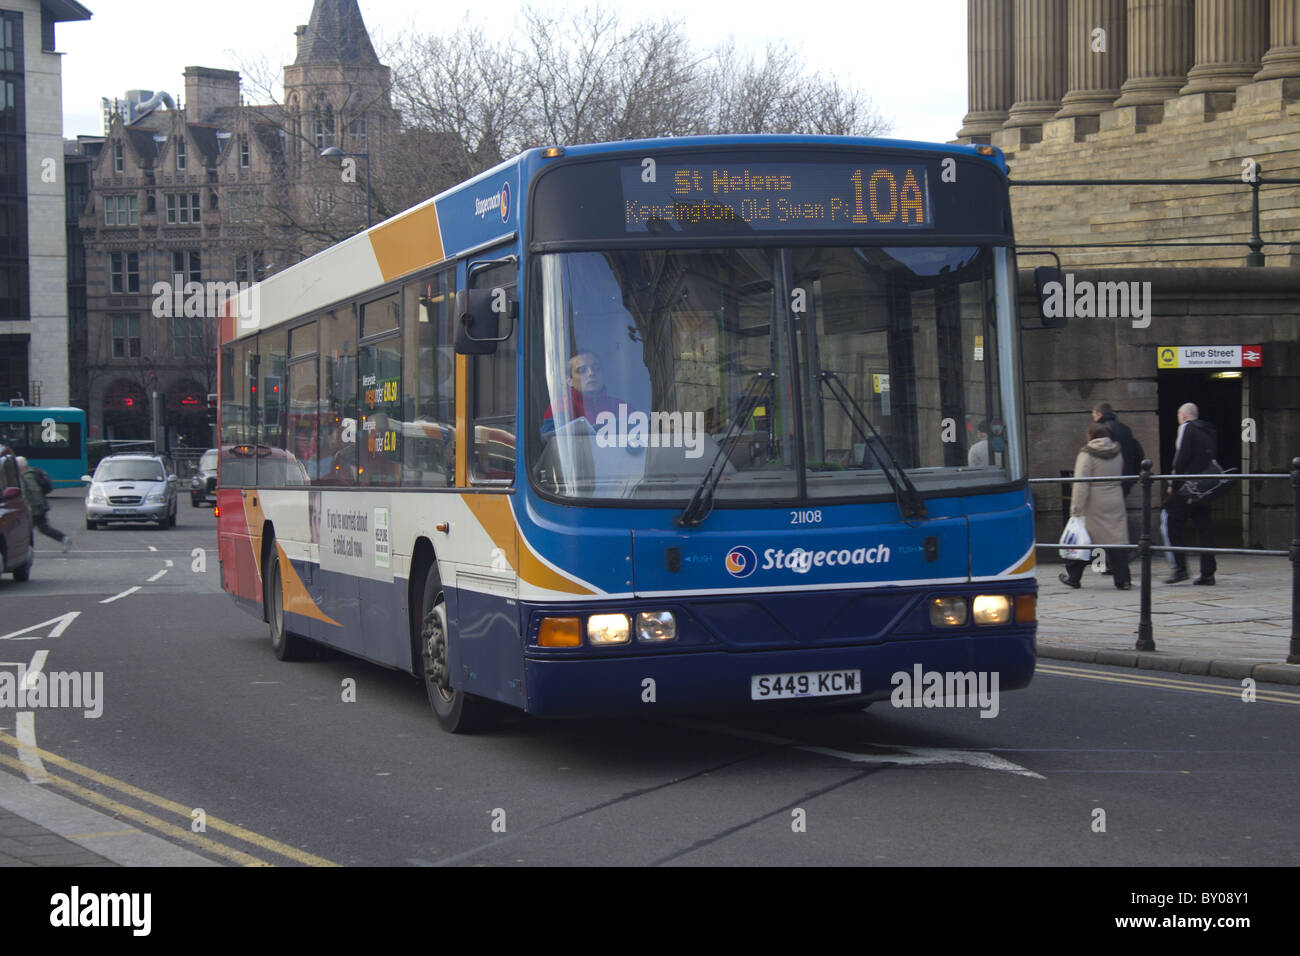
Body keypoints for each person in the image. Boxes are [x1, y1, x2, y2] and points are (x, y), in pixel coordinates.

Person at [1059, 423, 1131, 590]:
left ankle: (1074, 576)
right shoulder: (1116, 452)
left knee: (1085, 539)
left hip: (1094, 502)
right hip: (1115, 498)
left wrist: (1075, 508)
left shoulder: (1087, 453)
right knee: (1117, 540)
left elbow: (1081, 483)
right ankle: (1123, 579)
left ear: (1090, 436)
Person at [1162, 402, 1218, 585]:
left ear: (1184, 416)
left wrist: (1174, 484)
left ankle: (1180, 568)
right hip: (1203, 487)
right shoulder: (1209, 430)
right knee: (1204, 529)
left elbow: (1181, 458)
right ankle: (1208, 573)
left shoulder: (1186, 429)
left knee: (1171, 521)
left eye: (1179, 415)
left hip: (1187, 487)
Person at [542, 349, 630, 437]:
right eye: (582, 370)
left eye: (596, 368)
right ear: (569, 380)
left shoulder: (622, 407)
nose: (591, 373)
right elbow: (552, 442)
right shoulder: (561, 406)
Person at [17, 456, 70, 552]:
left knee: (27, 530)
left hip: (35, 508)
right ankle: (63, 538)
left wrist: (39, 505)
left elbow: (35, 490)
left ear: (19, 466)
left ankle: (28, 550)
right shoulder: (29, 473)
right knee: (41, 528)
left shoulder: (27, 475)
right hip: (36, 507)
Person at [1091, 402, 1144, 495]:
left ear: (1099, 414)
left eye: (1094, 416)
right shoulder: (1126, 429)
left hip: (1108, 478)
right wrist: (1134, 473)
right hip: (1126, 477)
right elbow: (1138, 452)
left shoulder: (1101, 430)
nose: (1094, 419)